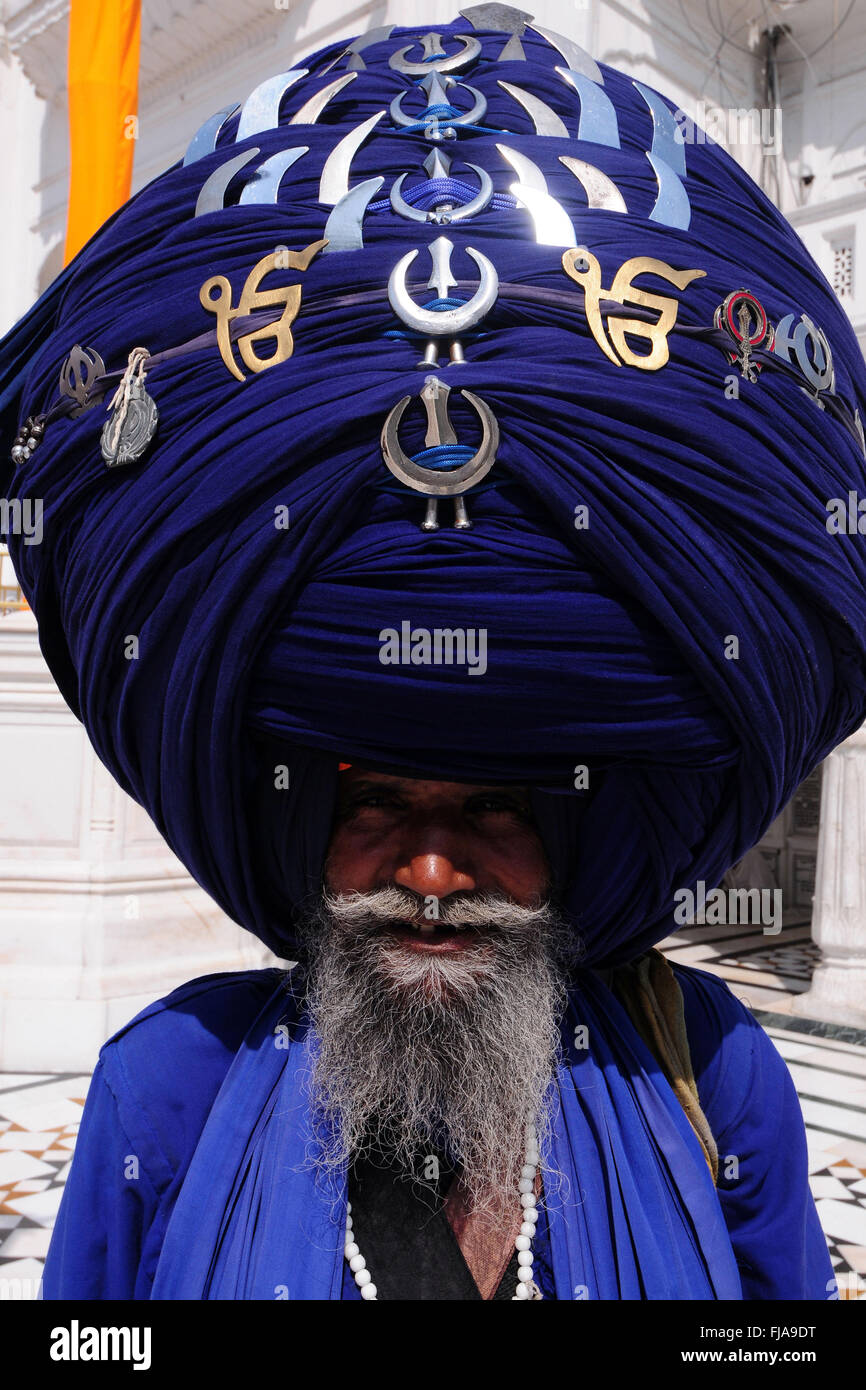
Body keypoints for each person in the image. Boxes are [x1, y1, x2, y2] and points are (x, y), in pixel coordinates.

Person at [2, 13, 865, 1299]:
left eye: (492, 808)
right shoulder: (165, 1086)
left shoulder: (708, 1072)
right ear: (306, 810)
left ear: (573, 830)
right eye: (374, 802)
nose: (428, 868)